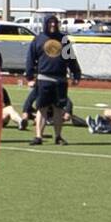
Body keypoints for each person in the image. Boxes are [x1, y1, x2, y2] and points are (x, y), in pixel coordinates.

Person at [25, 15, 82, 146]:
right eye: (50, 22)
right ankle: (38, 136)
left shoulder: (64, 40)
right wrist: (29, 77)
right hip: (43, 79)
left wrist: (76, 74)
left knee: (58, 109)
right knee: (41, 108)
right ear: (45, 24)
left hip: (60, 80)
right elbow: (30, 59)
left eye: (54, 23)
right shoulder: (38, 40)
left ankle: (58, 137)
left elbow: (71, 59)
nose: (52, 25)